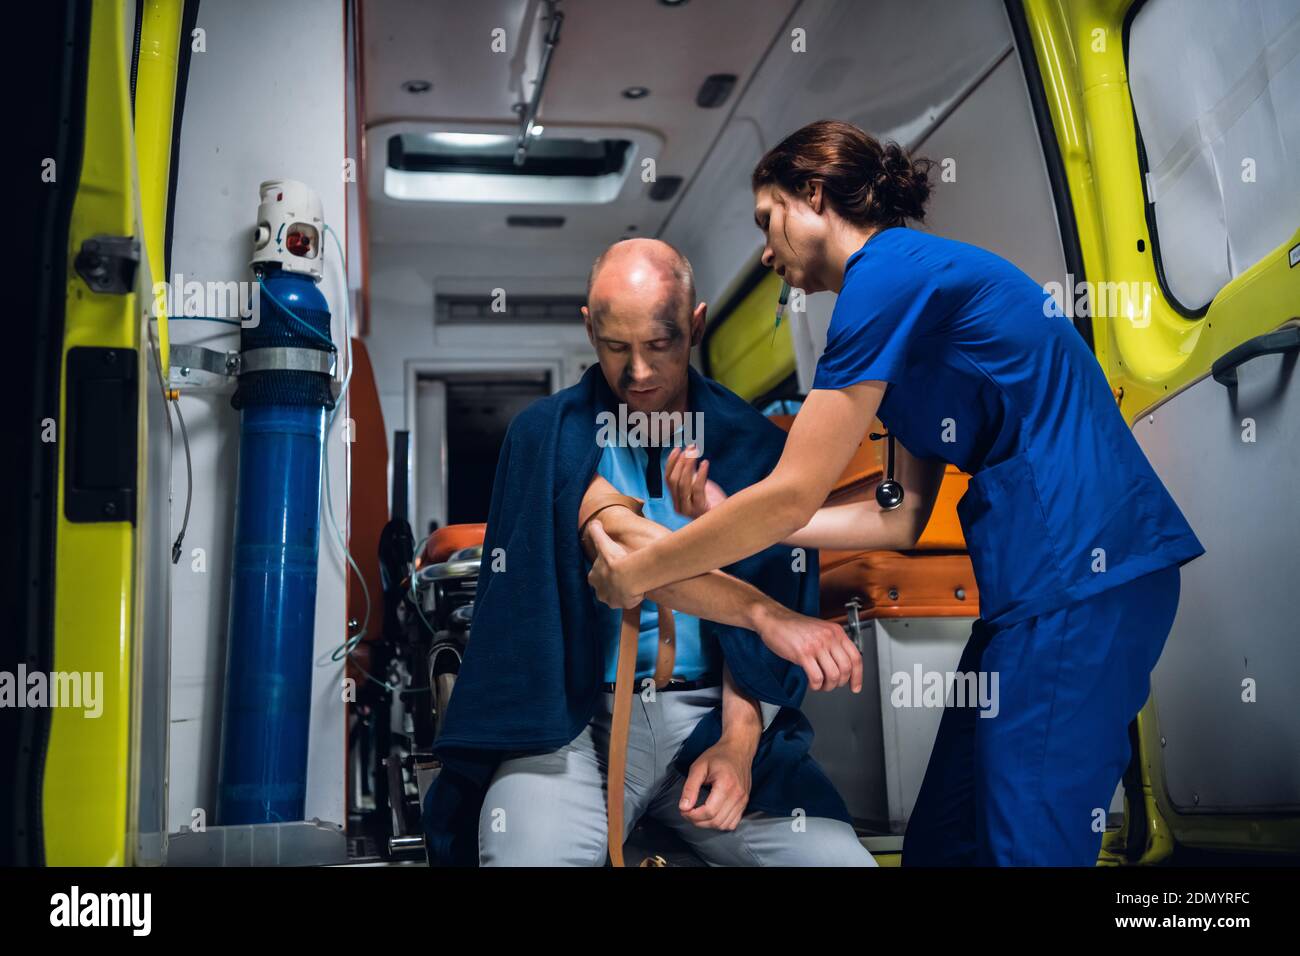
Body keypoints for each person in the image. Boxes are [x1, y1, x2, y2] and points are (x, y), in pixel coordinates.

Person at [586, 120, 1205, 867]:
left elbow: (789, 492)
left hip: (1085, 574)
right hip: (1029, 596)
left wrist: (643, 572)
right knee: (944, 840)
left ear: (812, 194)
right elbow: (900, 517)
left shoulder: (886, 276)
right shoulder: (898, 316)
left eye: (767, 219)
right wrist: (728, 518)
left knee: (1030, 845)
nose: (765, 249)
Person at [422, 237, 875, 867]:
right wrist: (769, 616)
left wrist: (739, 746)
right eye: (616, 347)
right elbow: (624, 558)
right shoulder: (547, 435)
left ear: (695, 325)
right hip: (572, 724)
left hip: (710, 719)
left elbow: (771, 597)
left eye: (659, 345)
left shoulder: (755, 446)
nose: (638, 373)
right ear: (589, 330)